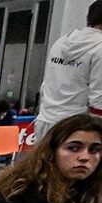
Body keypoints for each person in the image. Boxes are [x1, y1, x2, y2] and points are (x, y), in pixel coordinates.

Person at [31, 2, 102, 142]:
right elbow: (99, 99)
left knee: (44, 157)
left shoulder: (62, 42)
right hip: (75, 128)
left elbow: (47, 84)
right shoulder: (99, 48)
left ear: (88, 17)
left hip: (45, 121)